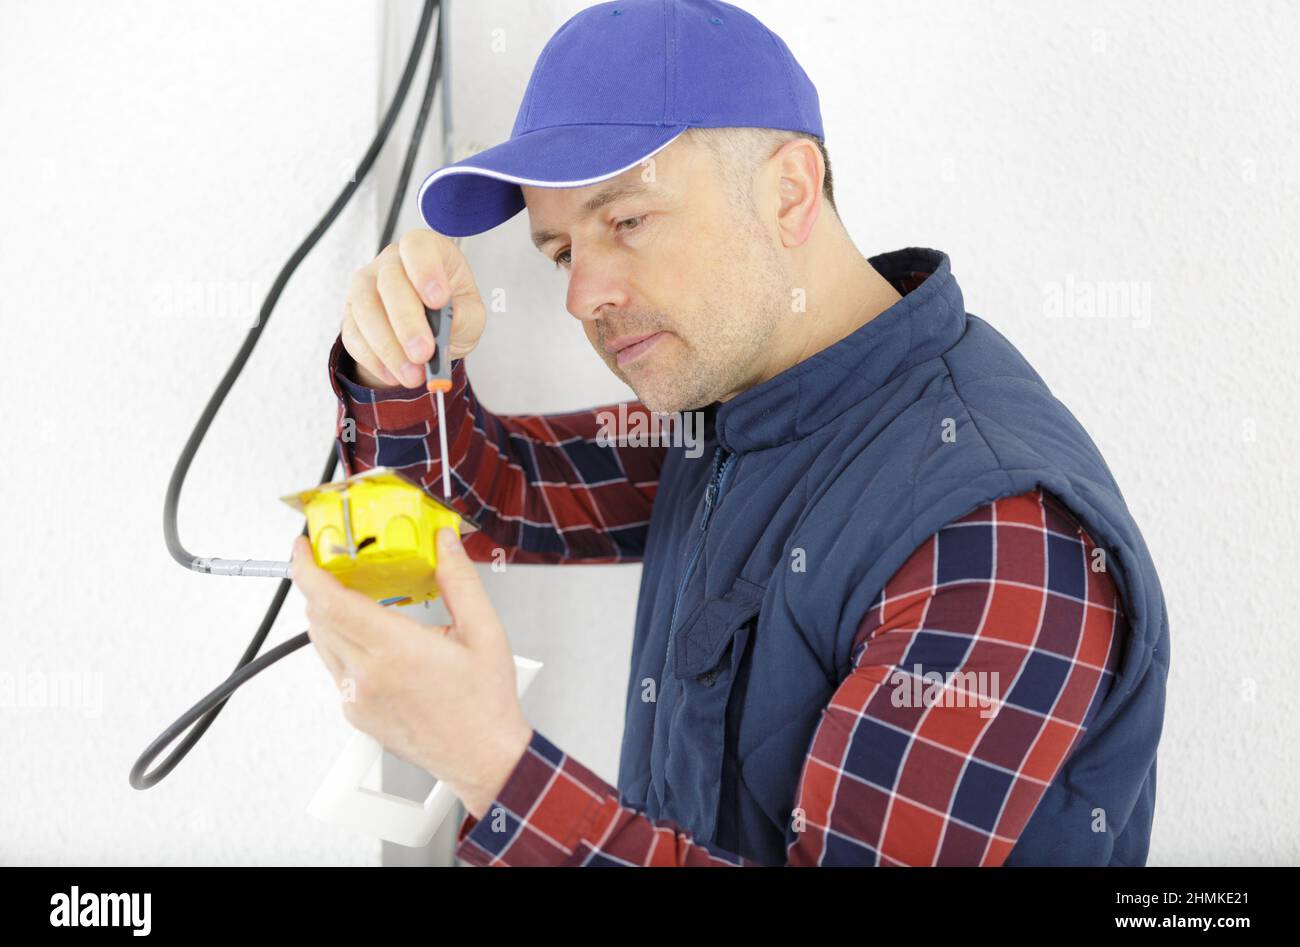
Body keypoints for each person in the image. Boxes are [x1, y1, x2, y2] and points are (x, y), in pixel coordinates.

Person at [292, 0, 1169, 866]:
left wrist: (490, 768)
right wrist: (402, 359)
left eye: (627, 221)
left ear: (789, 193)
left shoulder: (991, 537)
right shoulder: (738, 400)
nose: (582, 296)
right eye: (561, 253)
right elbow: (497, 497)